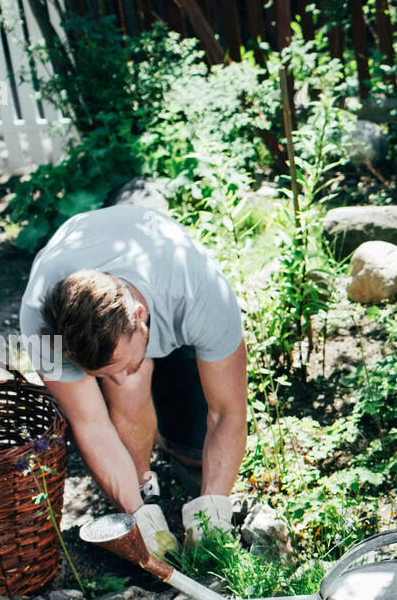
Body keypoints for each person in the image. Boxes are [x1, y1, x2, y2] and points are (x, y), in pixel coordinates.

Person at [18, 203, 248, 555]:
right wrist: (136, 516)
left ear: (140, 317)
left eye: (121, 365)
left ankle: (167, 439)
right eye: (103, 375)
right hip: (103, 317)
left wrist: (214, 511)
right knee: (129, 390)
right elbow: (92, 426)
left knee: (194, 453)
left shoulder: (199, 295)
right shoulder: (43, 325)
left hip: (170, 304)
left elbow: (228, 412)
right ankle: (143, 486)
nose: (119, 380)